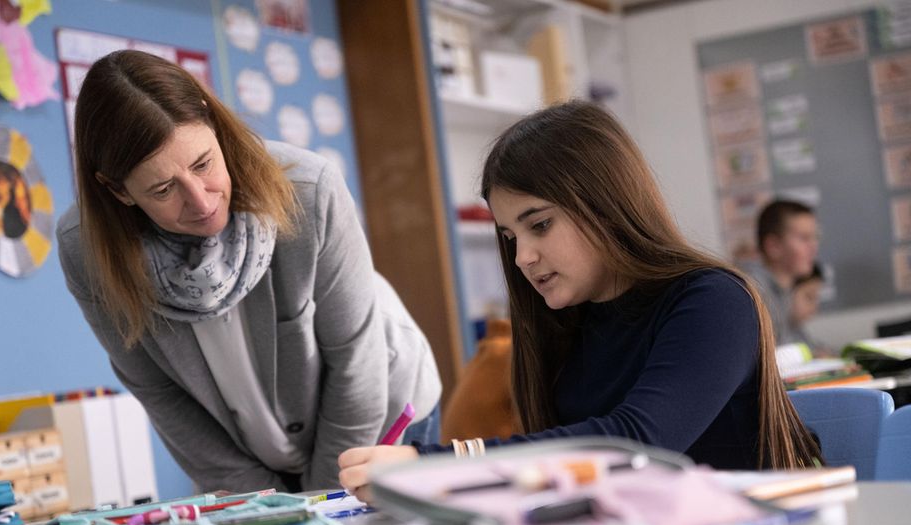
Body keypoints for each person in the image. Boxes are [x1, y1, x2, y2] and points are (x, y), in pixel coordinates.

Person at [338, 101, 822, 502]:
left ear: (605, 203)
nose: (524, 257)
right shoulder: (564, 323)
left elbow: (638, 443)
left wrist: (437, 467)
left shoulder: (715, 300)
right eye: (509, 236)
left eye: (540, 224)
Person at [56, 50, 441, 493]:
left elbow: (356, 359)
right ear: (118, 191)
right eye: (163, 189)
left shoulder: (310, 190)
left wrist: (320, 505)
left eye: (203, 164)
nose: (201, 201)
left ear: (212, 123)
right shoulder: (86, 252)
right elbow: (161, 393)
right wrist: (267, 507)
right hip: (253, 453)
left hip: (376, 417)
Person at [746, 200, 820, 345]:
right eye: (804, 238)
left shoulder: (784, 293)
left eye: (815, 238)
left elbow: (801, 342)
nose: (814, 247)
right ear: (773, 246)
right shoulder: (754, 291)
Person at [787, 262, 833, 357]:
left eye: (817, 299)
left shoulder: (796, 330)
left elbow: (818, 348)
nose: (814, 308)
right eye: (809, 297)